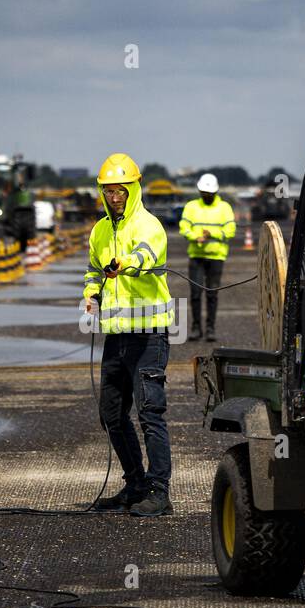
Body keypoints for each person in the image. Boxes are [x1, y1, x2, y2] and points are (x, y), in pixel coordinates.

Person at [82, 154, 175, 516]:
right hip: (116, 335)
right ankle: (135, 485)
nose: (114, 196)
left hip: (148, 335)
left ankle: (159, 491)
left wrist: (128, 264)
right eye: (108, 191)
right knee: (111, 414)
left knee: (150, 412)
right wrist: (91, 294)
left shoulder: (148, 224)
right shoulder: (99, 230)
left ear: (133, 189)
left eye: (120, 190)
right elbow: (92, 269)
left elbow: (147, 253)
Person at [178, 173, 236, 341]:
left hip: (217, 256)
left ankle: (210, 329)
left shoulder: (224, 208)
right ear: (199, 191)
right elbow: (184, 227)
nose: (206, 195)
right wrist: (195, 237)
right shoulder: (191, 206)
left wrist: (212, 233)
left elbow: (230, 230)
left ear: (216, 192)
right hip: (196, 256)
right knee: (195, 294)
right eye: (204, 192)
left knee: (212, 294)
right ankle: (196, 328)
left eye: (209, 193)